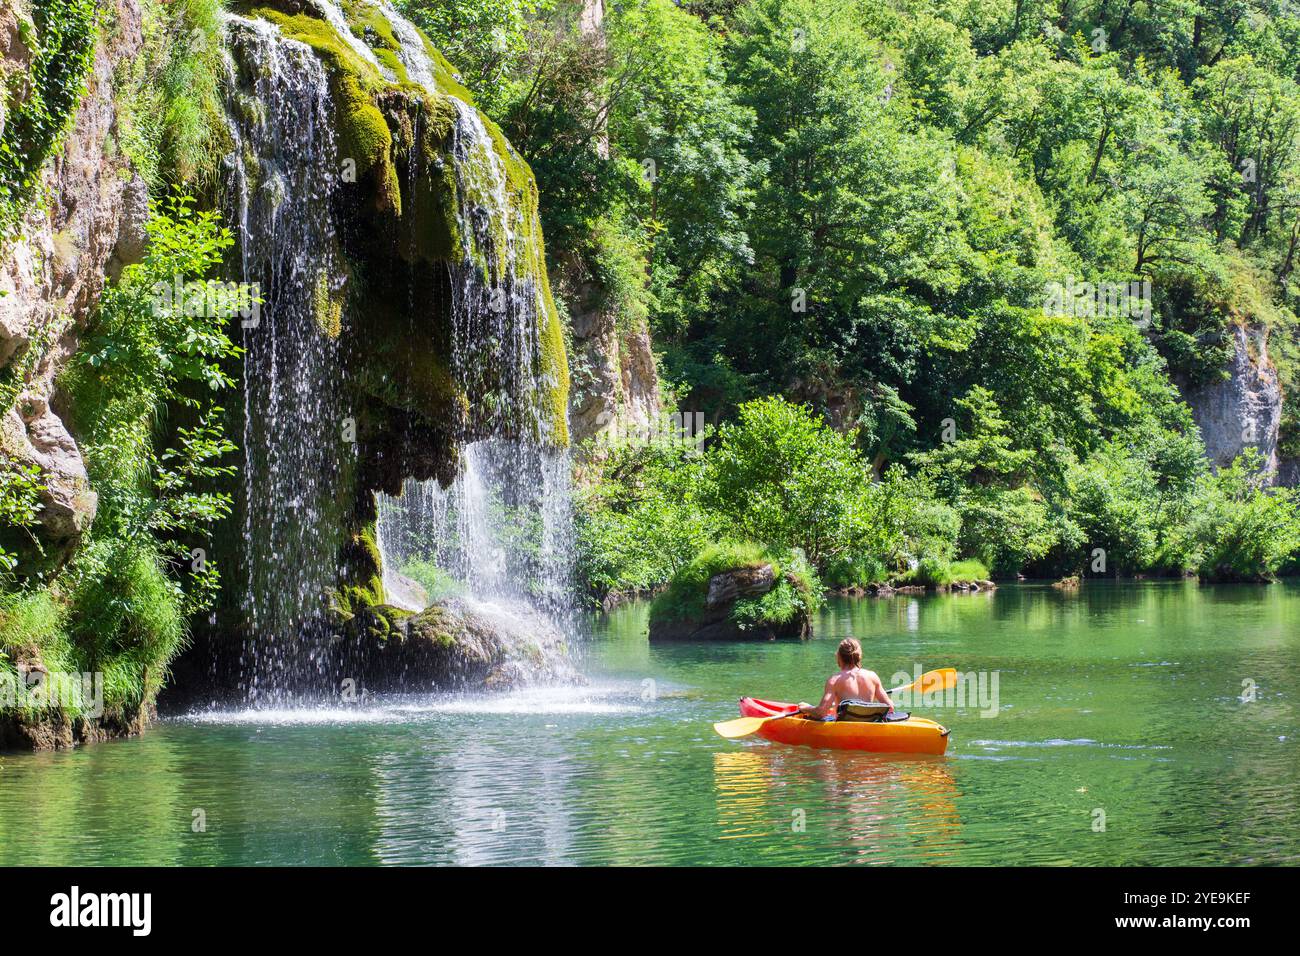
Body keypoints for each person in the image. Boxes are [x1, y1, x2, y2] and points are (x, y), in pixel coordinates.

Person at [797, 637, 893, 720]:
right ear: (859, 656)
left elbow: (821, 713)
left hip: (844, 727)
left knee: (811, 716)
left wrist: (806, 708)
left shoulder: (835, 680)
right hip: (869, 725)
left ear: (839, 656)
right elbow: (890, 708)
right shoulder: (873, 676)